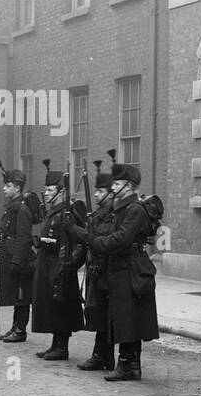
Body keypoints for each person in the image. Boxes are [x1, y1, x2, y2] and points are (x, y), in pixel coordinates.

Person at [67, 157, 158, 380]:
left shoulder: (134, 209)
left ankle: (128, 365)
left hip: (131, 268)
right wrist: (90, 237)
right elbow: (110, 235)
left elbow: (121, 239)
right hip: (121, 268)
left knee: (129, 318)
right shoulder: (122, 209)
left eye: (117, 185)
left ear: (129, 187)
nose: (113, 188)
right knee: (123, 317)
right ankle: (129, 365)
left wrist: (92, 240)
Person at [30, 159, 85, 362]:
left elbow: (80, 241)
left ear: (61, 192)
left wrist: (70, 264)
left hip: (61, 266)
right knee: (51, 306)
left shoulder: (68, 212)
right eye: (45, 189)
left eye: (50, 189)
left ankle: (62, 347)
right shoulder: (53, 212)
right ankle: (55, 344)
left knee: (61, 307)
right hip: (47, 264)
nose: (46, 193)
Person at [75, 157, 117, 371]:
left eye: (101, 192)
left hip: (109, 271)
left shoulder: (114, 215)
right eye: (97, 192)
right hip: (97, 270)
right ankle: (100, 355)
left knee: (108, 317)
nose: (98, 195)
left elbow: (105, 240)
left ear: (111, 193)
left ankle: (105, 356)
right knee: (98, 314)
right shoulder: (98, 214)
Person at [0, 161, 35, 344]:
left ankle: (20, 330)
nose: (4, 189)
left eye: (8, 186)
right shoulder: (12, 207)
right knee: (16, 295)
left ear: (17, 188)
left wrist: (17, 262)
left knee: (21, 295)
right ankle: (15, 327)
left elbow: (24, 237)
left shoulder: (21, 209)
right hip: (10, 256)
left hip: (18, 259)